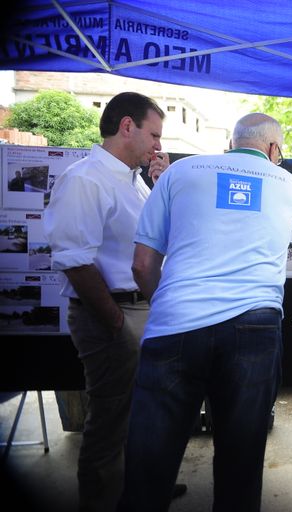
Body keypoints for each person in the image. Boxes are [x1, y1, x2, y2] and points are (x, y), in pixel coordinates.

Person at [119, 112, 292, 511]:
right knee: (241, 464)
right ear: (273, 149)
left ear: (233, 143)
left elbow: (142, 266)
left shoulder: (179, 173)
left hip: (174, 328)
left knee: (148, 466)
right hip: (252, 330)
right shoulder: (287, 182)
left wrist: (168, 304)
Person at [42, 91, 186, 511]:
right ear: (127, 127)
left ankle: (138, 489)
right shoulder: (86, 178)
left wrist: (162, 186)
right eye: (154, 135)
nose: (159, 145)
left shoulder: (132, 178)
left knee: (137, 412)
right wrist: (117, 325)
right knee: (109, 421)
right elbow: (75, 262)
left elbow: (155, 237)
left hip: (139, 308)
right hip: (113, 312)